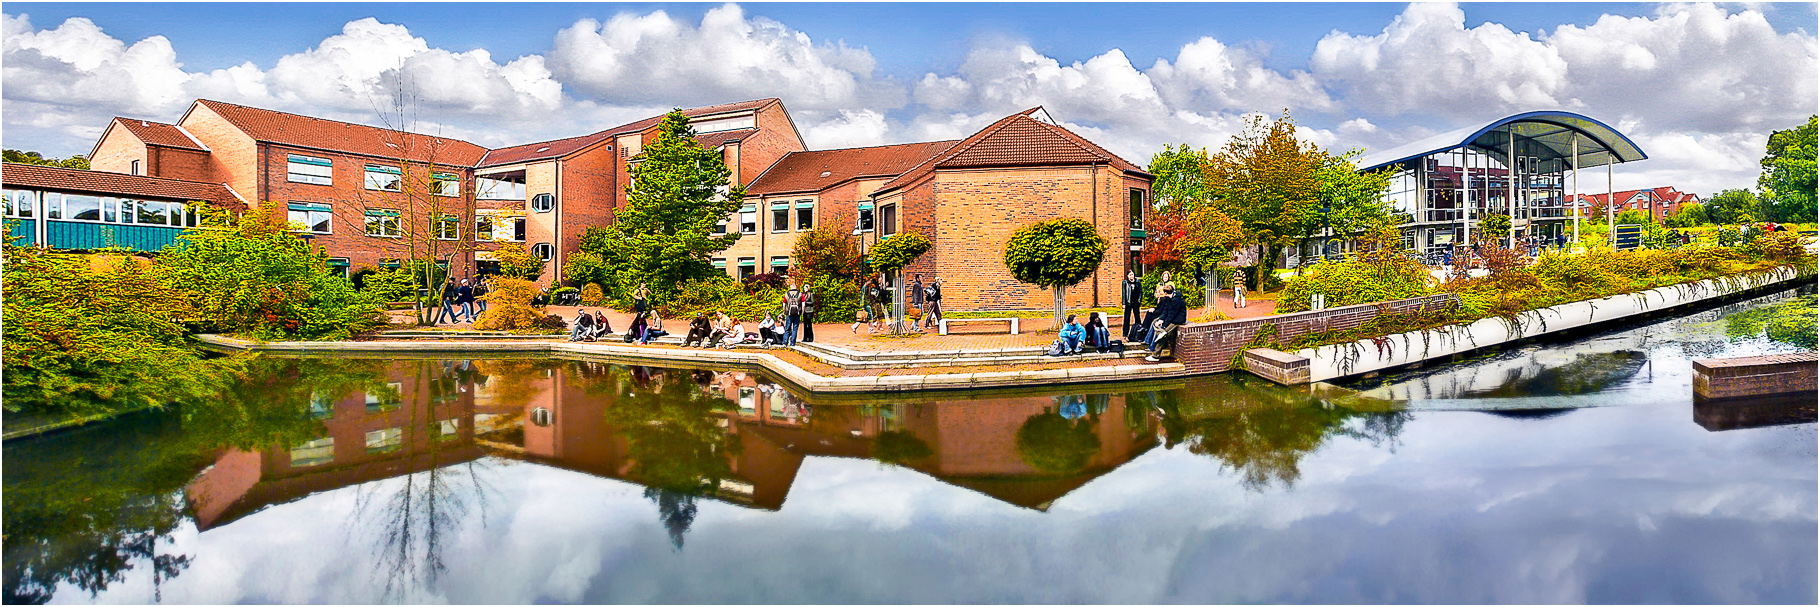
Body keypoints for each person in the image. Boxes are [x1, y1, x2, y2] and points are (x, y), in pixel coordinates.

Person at [1145, 285, 1189, 363]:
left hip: (1177, 320)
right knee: (1155, 322)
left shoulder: (1176, 300)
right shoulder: (1168, 298)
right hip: (1171, 318)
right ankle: (1161, 332)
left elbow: (1172, 314)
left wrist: (1164, 325)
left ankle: (1155, 356)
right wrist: (1161, 319)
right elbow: (1166, 310)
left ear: (1165, 293)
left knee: (1164, 336)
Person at [1121, 271, 1142, 340]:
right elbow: (1124, 293)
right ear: (1127, 276)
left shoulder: (1137, 282)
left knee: (1137, 317)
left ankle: (1139, 333)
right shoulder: (1125, 283)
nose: (1131, 276)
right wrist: (1124, 303)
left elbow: (1140, 292)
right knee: (1127, 318)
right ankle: (1125, 334)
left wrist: (1139, 300)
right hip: (1128, 302)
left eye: (1132, 274)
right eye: (1130, 275)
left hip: (1135, 302)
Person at [782, 280, 803, 347]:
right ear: (795, 287)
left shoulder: (786, 294)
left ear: (790, 287)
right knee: (795, 328)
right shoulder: (800, 294)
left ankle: (785, 342)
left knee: (787, 328)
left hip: (789, 313)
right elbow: (803, 304)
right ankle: (792, 343)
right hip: (797, 313)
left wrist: (785, 311)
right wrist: (802, 311)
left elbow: (784, 304)